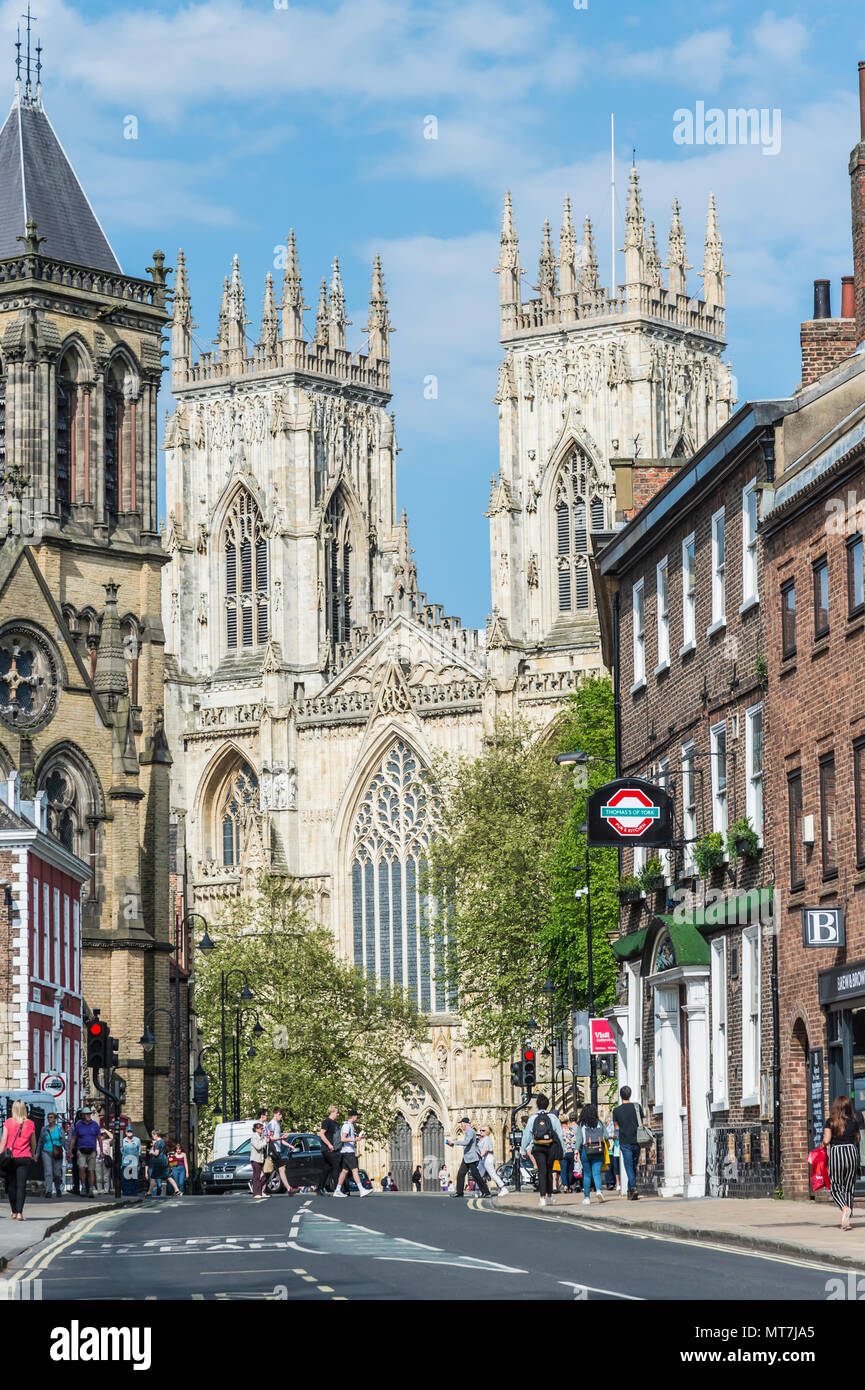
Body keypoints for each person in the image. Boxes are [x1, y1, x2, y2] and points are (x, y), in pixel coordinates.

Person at [520, 1095, 566, 1208]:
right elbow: (559, 1135)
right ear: (547, 1105)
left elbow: (527, 1135)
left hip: (538, 1148)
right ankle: (549, 1196)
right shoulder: (553, 1118)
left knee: (542, 1171)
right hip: (550, 1147)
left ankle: (542, 1198)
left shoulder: (532, 1118)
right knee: (549, 1171)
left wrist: (523, 1150)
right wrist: (562, 1150)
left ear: (537, 1105)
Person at [824, 1095, 861, 1230]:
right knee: (849, 1187)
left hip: (837, 1153)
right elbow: (858, 1139)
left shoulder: (830, 1122)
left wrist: (822, 1145)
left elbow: (827, 1140)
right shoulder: (853, 1122)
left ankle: (844, 1208)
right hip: (851, 1152)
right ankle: (847, 1221)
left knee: (835, 1186)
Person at [1, 1100, 36, 1220]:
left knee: (11, 1184)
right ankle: (20, 1213)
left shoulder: (8, 1122)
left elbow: (3, 1142)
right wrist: (33, 1154)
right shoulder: (30, 1123)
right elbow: (33, 1142)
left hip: (11, 1158)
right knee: (21, 1185)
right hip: (25, 1157)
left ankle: (14, 1211)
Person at [612, 1085, 643, 1201]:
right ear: (630, 1094)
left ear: (620, 1096)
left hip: (625, 1141)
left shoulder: (617, 1110)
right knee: (633, 1165)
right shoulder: (637, 1107)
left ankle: (633, 1187)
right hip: (637, 1140)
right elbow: (642, 1122)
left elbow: (616, 1127)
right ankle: (631, 1191)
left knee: (629, 1165)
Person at [446, 1117, 490, 1198]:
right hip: (467, 1157)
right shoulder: (468, 1131)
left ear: (464, 1124)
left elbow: (466, 1142)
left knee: (476, 1175)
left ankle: (486, 1192)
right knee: (461, 1174)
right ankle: (459, 1192)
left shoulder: (470, 1131)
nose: (461, 1126)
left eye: (461, 1124)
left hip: (471, 1157)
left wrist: (454, 1142)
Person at [333, 1108, 371, 1197]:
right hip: (347, 1152)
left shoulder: (350, 1125)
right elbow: (343, 1138)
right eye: (357, 1116)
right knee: (355, 1170)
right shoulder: (347, 1126)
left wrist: (358, 1139)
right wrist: (355, 1139)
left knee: (344, 1171)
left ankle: (337, 1190)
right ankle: (362, 1190)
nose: (357, 1118)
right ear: (353, 1116)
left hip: (347, 1151)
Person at [578, 1103, 606, 1205]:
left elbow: (579, 1140)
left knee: (587, 1175)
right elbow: (606, 1136)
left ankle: (586, 1198)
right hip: (598, 1150)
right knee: (596, 1173)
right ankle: (598, 1190)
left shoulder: (581, 1124)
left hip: (586, 1150)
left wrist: (576, 1151)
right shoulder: (600, 1123)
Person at [72, 1108, 102, 1198]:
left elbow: (99, 1139)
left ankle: (91, 1189)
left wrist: (102, 1151)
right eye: (86, 1114)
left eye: (89, 1114)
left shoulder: (95, 1125)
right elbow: (73, 1138)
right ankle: (84, 1186)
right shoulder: (78, 1125)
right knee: (81, 1168)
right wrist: (70, 1151)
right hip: (81, 1150)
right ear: (82, 1115)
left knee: (91, 1171)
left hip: (92, 1150)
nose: (88, 1115)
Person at [147, 1130, 181, 1198]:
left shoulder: (157, 1143)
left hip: (159, 1162)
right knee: (168, 1176)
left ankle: (149, 1192)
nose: (152, 1137)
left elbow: (156, 1153)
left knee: (153, 1177)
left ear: (156, 1135)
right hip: (164, 1160)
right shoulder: (162, 1141)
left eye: (153, 1135)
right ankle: (177, 1191)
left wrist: (151, 1152)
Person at [39, 1113, 66, 1197]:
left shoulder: (60, 1129)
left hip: (57, 1152)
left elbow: (64, 1142)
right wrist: (36, 1153)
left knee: (57, 1173)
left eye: (51, 1117)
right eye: (48, 1117)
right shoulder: (44, 1129)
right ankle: (48, 1191)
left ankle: (58, 1188)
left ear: (55, 1119)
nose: (49, 1119)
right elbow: (40, 1142)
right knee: (48, 1172)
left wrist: (68, 1151)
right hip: (46, 1151)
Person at [477, 1125, 508, 1196]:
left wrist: (479, 1156)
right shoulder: (483, 1139)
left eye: (483, 1130)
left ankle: (503, 1188)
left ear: (487, 1132)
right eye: (480, 1130)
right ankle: (478, 1190)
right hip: (483, 1158)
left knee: (492, 1174)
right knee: (479, 1174)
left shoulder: (487, 1139)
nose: (481, 1131)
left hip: (488, 1157)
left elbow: (485, 1150)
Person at [319, 1105, 342, 1193]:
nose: (338, 1114)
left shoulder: (335, 1123)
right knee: (336, 1167)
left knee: (327, 1168)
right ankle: (337, 1189)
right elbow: (321, 1134)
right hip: (328, 1149)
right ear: (332, 1112)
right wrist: (329, 1145)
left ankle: (319, 1187)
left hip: (334, 1148)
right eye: (337, 1112)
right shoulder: (327, 1122)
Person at [120, 1128, 142, 1197]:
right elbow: (121, 1151)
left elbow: (139, 1151)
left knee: (134, 1179)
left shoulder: (137, 1140)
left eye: (131, 1131)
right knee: (125, 1179)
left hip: (134, 1162)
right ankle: (126, 1193)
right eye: (128, 1131)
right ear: (125, 1133)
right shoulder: (123, 1141)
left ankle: (134, 1194)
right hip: (125, 1162)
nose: (129, 1132)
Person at [250, 1122, 268, 1200]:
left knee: (264, 1175)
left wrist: (264, 1140)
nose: (262, 1130)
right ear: (256, 1129)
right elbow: (258, 1147)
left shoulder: (261, 1137)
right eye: (261, 1128)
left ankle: (261, 1191)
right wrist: (265, 1141)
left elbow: (264, 1148)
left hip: (261, 1159)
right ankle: (256, 1193)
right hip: (255, 1159)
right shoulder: (254, 1137)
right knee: (256, 1176)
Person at [561, 1115, 578, 1192]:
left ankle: (565, 1186)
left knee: (563, 1170)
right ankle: (570, 1184)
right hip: (571, 1152)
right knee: (570, 1170)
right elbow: (575, 1141)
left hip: (562, 1153)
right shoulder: (571, 1130)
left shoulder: (559, 1131)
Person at [97, 1125, 113, 1192]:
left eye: (102, 1135)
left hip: (106, 1160)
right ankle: (99, 1190)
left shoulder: (107, 1141)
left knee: (106, 1177)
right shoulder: (96, 1141)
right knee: (98, 1177)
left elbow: (112, 1137)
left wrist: (106, 1130)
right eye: (100, 1135)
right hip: (97, 1160)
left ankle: (106, 1190)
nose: (101, 1136)